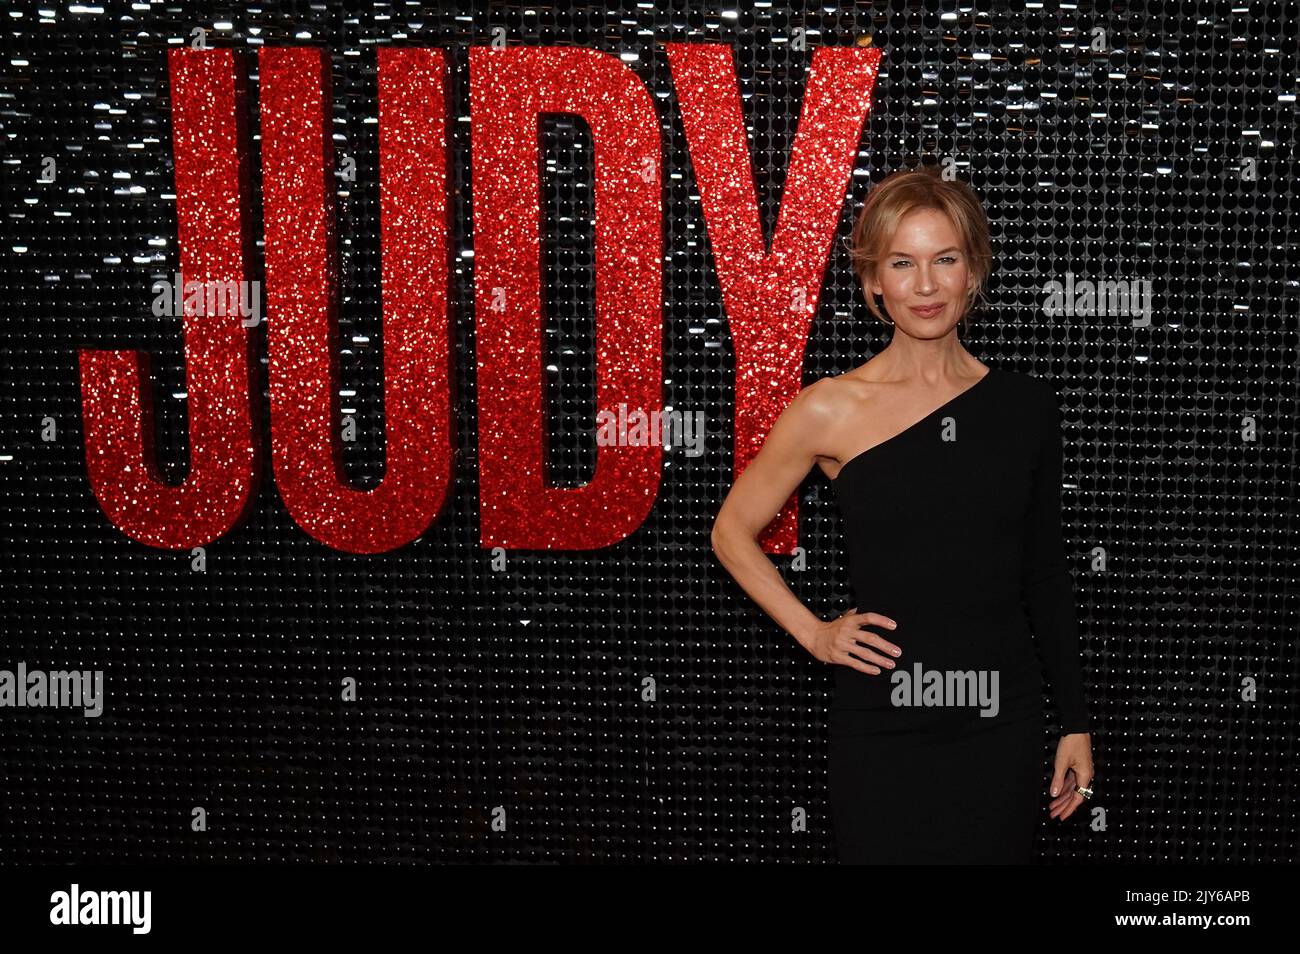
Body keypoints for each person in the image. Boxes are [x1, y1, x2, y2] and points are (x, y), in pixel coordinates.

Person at [710, 165, 1095, 863]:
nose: (925, 285)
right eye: (903, 263)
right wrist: (815, 634)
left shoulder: (1025, 408)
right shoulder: (830, 406)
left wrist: (1075, 722)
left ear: (973, 271)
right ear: (874, 282)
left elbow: (1044, 574)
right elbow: (730, 532)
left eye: (945, 259)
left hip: (999, 718)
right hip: (882, 720)